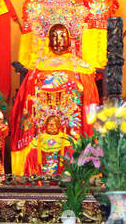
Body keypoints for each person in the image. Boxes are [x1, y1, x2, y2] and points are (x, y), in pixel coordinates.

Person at [8, 24, 99, 175]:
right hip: (42, 121)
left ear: (70, 39)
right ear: (48, 40)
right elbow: (26, 97)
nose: (58, 40)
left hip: (71, 122)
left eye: (63, 36)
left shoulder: (82, 68)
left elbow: (89, 100)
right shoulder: (38, 67)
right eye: (54, 36)